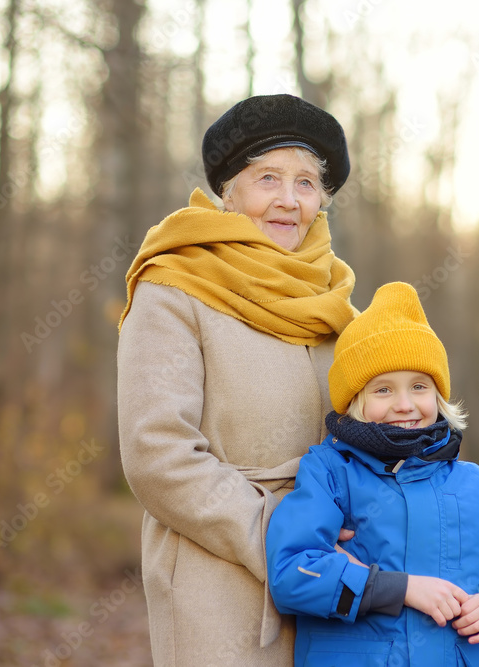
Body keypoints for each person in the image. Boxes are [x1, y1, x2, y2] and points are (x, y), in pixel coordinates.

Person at [116, 94, 358, 665]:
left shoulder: (335, 300)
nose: (288, 200)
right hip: (218, 578)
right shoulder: (173, 287)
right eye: (267, 178)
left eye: (305, 183)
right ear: (229, 191)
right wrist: (284, 535)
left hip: (336, 583)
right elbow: (157, 455)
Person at [266, 282, 479, 666]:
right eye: (383, 390)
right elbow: (292, 573)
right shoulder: (330, 472)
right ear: (355, 401)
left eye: (419, 386)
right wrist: (400, 589)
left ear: (439, 397)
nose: (404, 405)